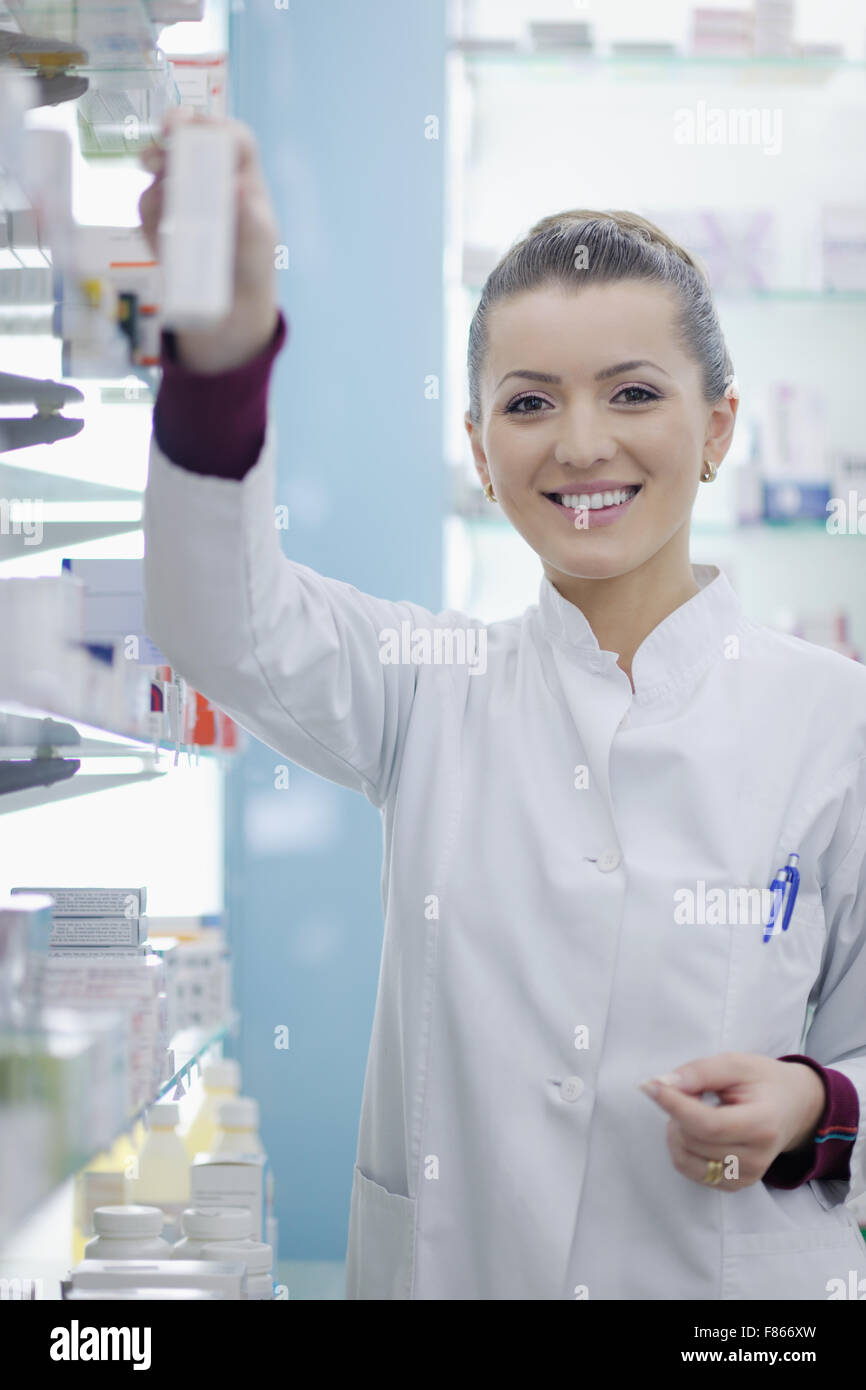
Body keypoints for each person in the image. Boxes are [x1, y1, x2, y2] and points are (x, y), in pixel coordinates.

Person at [139, 110, 866, 1300]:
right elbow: (220, 615)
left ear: (718, 428)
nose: (580, 444)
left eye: (632, 393)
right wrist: (223, 353)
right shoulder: (426, 683)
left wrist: (814, 1104)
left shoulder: (831, 721)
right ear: (479, 451)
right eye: (528, 405)